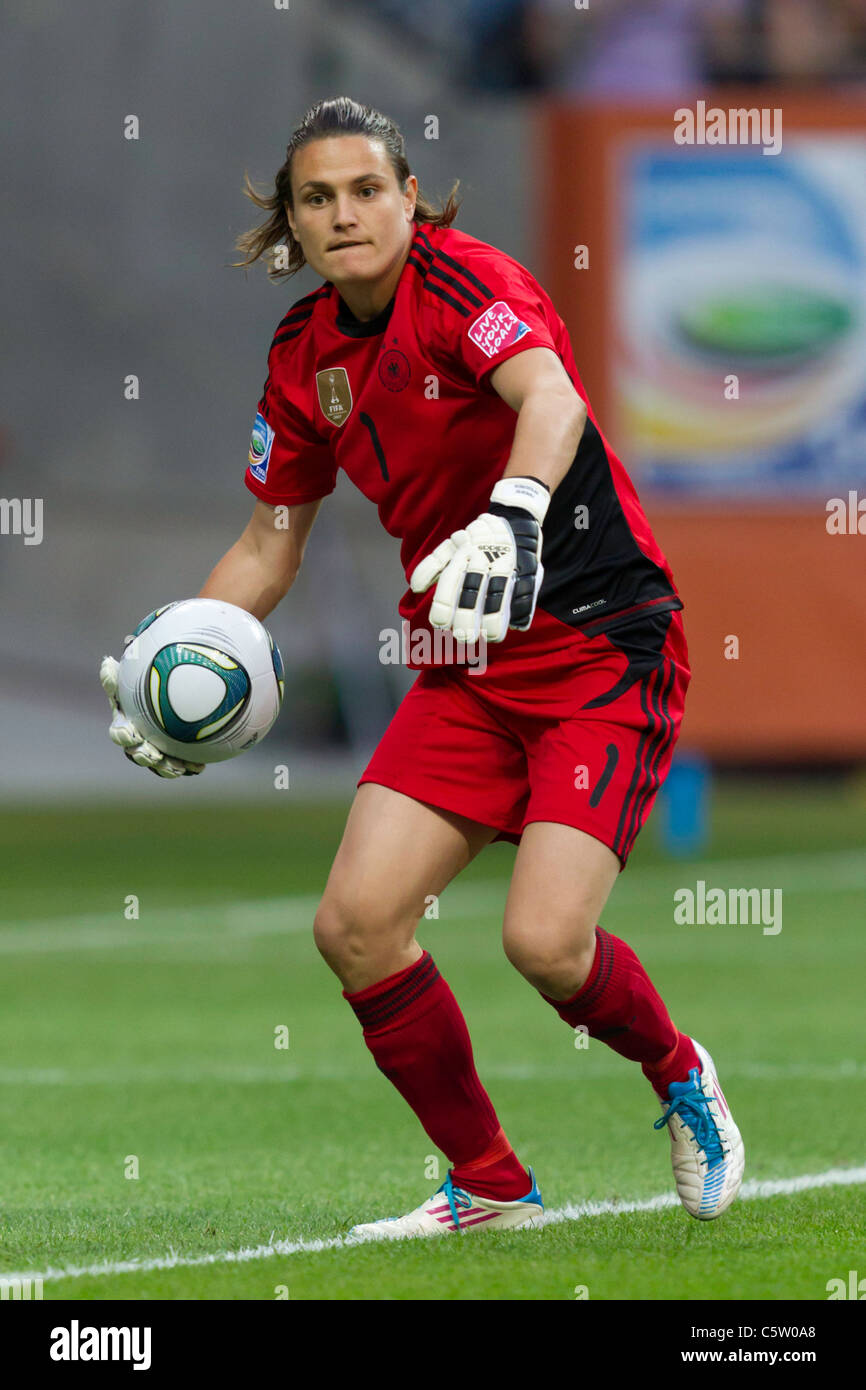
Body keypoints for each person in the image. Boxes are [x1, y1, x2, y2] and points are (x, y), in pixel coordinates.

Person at [100, 96, 743, 1239]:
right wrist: (177, 651)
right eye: (315, 198)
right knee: (353, 924)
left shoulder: (466, 285)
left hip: (598, 641)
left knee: (543, 943)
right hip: (465, 666)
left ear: (408, 197)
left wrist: (513, 512)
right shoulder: (303, 355)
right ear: (289, 225)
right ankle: (489, 1183)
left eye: (364, 189)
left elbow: (549, 398)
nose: (342, 214)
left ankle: (680, 1070)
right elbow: (267, 542)